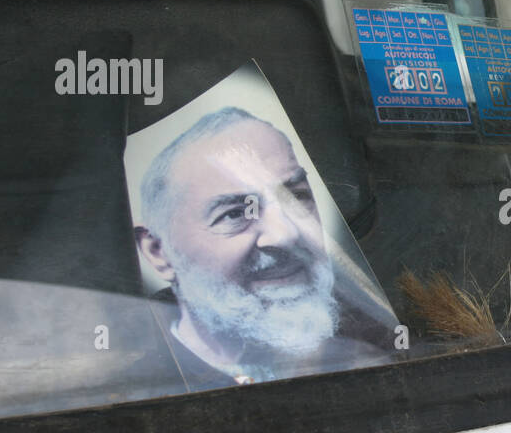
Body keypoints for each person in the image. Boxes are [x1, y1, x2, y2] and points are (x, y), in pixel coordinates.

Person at [134, 106, 393, 389]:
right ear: (157, 252)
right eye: (234, 214)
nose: (285, 234)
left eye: (295, 198)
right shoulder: (134, 388)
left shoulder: (375, 355)